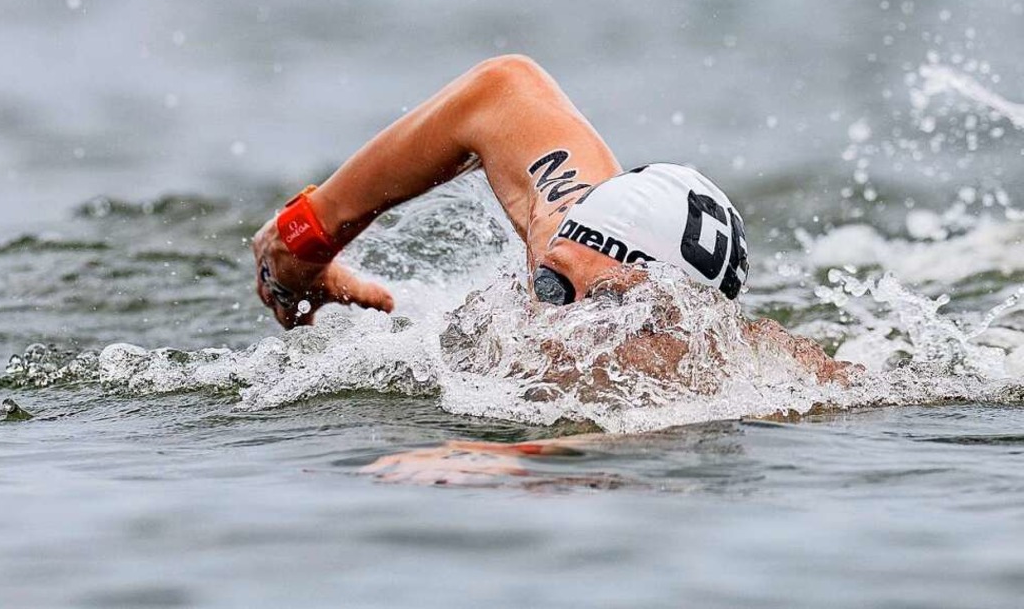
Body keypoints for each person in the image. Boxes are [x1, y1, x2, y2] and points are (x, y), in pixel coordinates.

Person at [251, 55, 856, 481]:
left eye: (606, 308)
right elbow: (502, 87)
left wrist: (513, 463)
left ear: (674, 330)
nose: (553, 321)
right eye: (549, 282)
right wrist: (305, 238)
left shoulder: (710, 389)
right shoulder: (563, 223)